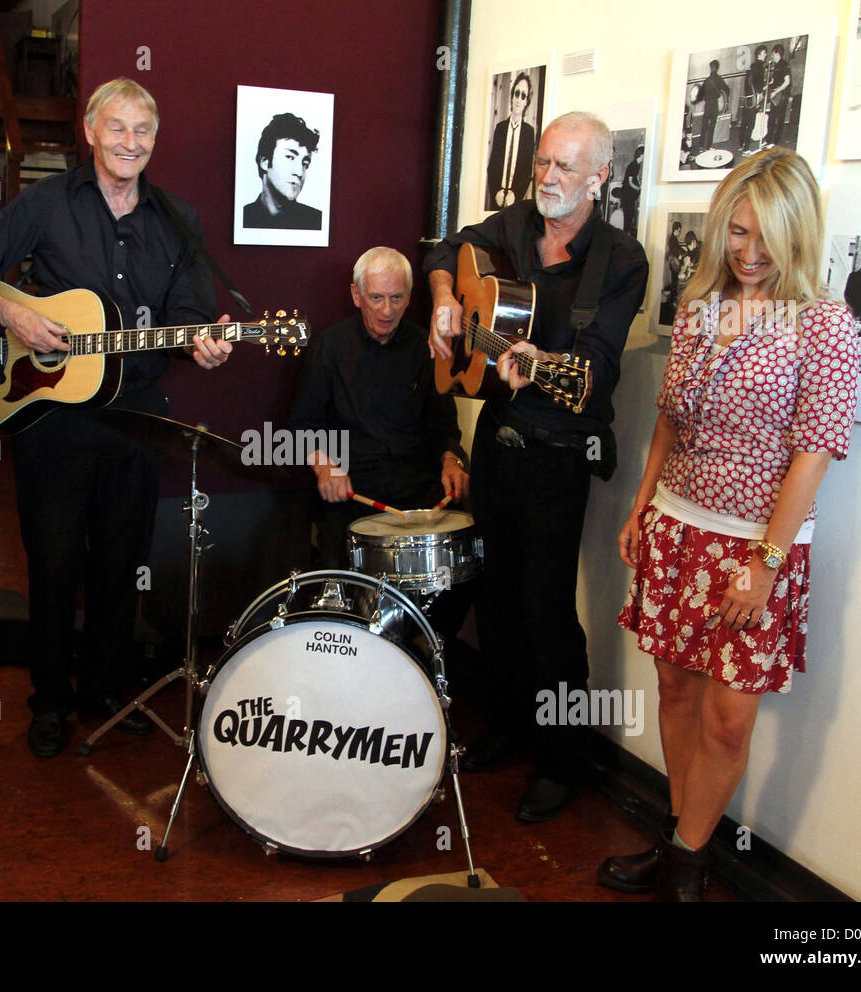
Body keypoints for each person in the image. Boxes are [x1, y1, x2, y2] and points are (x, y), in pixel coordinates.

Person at [602, 148, 859, 900]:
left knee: (726, 718)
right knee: (676, 695)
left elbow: (812, 457)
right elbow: (669, 422)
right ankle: (680, 835)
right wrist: (643, 504)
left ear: (799, 232)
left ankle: (691, 856)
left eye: (764, 237)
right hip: (678, 525)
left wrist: (767, 563)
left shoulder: (824, 325)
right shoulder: (699, 307)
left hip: (757, 545)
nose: (747, 253)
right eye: (736, 234)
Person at [0, 78, 233, 757]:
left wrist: (206, 344)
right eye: (117, 127)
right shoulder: (46, 204)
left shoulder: (177, 218)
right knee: (51, 565)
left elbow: (192, 316)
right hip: (51, 416)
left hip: (138, 415)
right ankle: (49, 699)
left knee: (121, 562)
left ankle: (105, 690)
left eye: (142, 131)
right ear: (90, 129)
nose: (129, 142)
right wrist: (14, 313)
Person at [426, 112, 649, 821]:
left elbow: (599, 370)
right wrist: (441, 305)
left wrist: (545, 366)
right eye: (543, 162)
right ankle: (510, 728)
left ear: (600, 179)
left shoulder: (620, 262)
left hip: (558, 453)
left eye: (564, 168)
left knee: (546, 608)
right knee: (494, 597)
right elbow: (445, 249)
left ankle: (562, 761)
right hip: (499, 437)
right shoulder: (515, 224)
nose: (547, 178)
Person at [286, 246, 469, 569]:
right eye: (376, 298)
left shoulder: (426, 347)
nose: (387, 311)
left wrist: (451, 461)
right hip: (351, 496)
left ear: (410, 297)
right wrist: (324, 466)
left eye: (396, 298)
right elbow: (301, 426)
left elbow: (444, 427)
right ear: (356, 295)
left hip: (418, 498)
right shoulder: (330, 347)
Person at [242, 112, 323, 230]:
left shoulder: (317, 221)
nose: (299, 172)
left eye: (305, 164)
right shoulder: (244, 218)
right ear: (264, 162)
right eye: (290, 157)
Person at [486, 72, 537, 210]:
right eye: (517, 93)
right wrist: (496, 192)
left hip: (515, 202)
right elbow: (492, 167)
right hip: (497, 198)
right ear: (512, 96)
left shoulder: (528, 132)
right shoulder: (501, 128)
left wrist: (515, 194)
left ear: (527, 101)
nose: (519, 99)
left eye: (523, 96)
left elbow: (527, 172)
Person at [697, 60, 731, 154]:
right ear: (717, 67)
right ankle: (708, 146)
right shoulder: (719, 79)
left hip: (707, 105)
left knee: (704, 125)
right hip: (715, 105)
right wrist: (721, 95)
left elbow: (700, 95)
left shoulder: (707, 80)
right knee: (712, 126)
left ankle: (701, 146)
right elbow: (727, 90)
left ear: (710, 67)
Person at [764, 44, 793, 147]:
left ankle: (774, 142)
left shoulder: (784, 65)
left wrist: (776, 92)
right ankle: (768, 140)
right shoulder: (776, 65)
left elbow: (787, 81)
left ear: (776, 53)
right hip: (775, 96)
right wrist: (766, 85)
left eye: (773, 54)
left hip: (781, 96)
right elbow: (773, 80)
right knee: (772, 118)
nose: (771, 56)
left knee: (778, 119)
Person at [740, 47, 768, 152]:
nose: (766, 55)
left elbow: (748, 83)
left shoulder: (751, 67)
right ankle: (746, 148)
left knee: (744, 122)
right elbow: (759, 86)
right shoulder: (760, 67)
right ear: (759, 55)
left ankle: (741, 144)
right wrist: (764, 87)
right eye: (765, 53)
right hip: (754, 98)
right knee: (750, 124)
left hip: (748, 97)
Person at [618, 145, 642, 238]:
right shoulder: (633, 165)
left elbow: (635, 177)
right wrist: (638, 188)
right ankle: (625, 234)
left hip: (630, 195)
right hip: (627, 195)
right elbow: (630, 182)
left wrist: (639, 183)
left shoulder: (637, 165)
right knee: (628, 215)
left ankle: (627, 232)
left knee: (630, 214)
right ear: (641, 155)